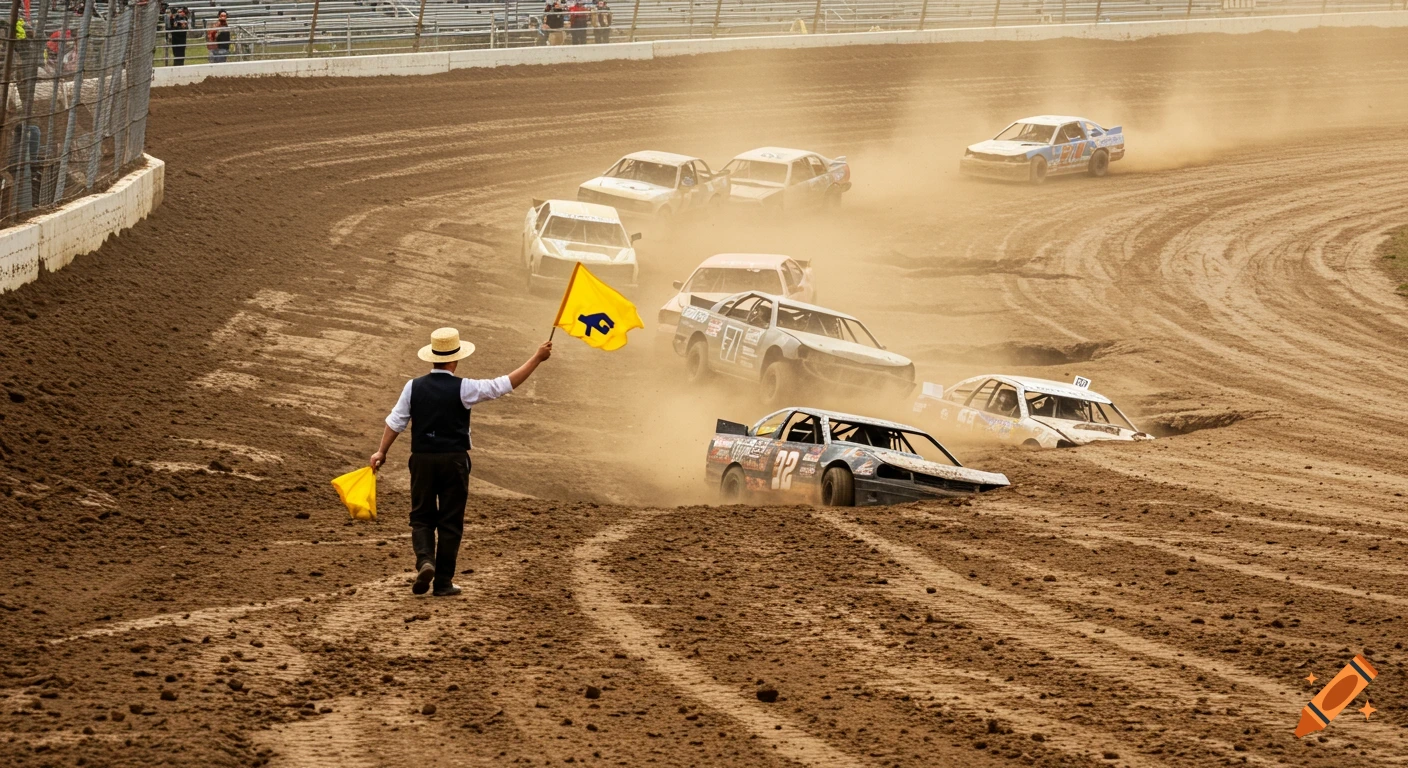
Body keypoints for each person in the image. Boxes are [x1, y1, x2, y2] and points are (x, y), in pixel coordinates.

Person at [369, 328, 552, 597]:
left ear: (432, 358)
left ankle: (425, 561)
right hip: (454, 461)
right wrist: (536, 358)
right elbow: (504, 384)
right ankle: (443, 582)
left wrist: (380, 452)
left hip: (421, 460)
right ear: (455, 360)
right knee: (450, 522)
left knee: (421, 517)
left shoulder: (413, 386)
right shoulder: (464, 388)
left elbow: (396, 421)